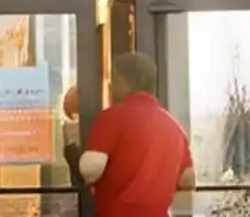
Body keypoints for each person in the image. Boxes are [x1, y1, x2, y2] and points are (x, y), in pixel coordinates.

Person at [78, 52, 196, 217]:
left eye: (114, 79)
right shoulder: (174, 127)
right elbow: (188, 180)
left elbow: (90, 170)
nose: (110, 86)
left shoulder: (112, 118)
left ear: (125, 82)